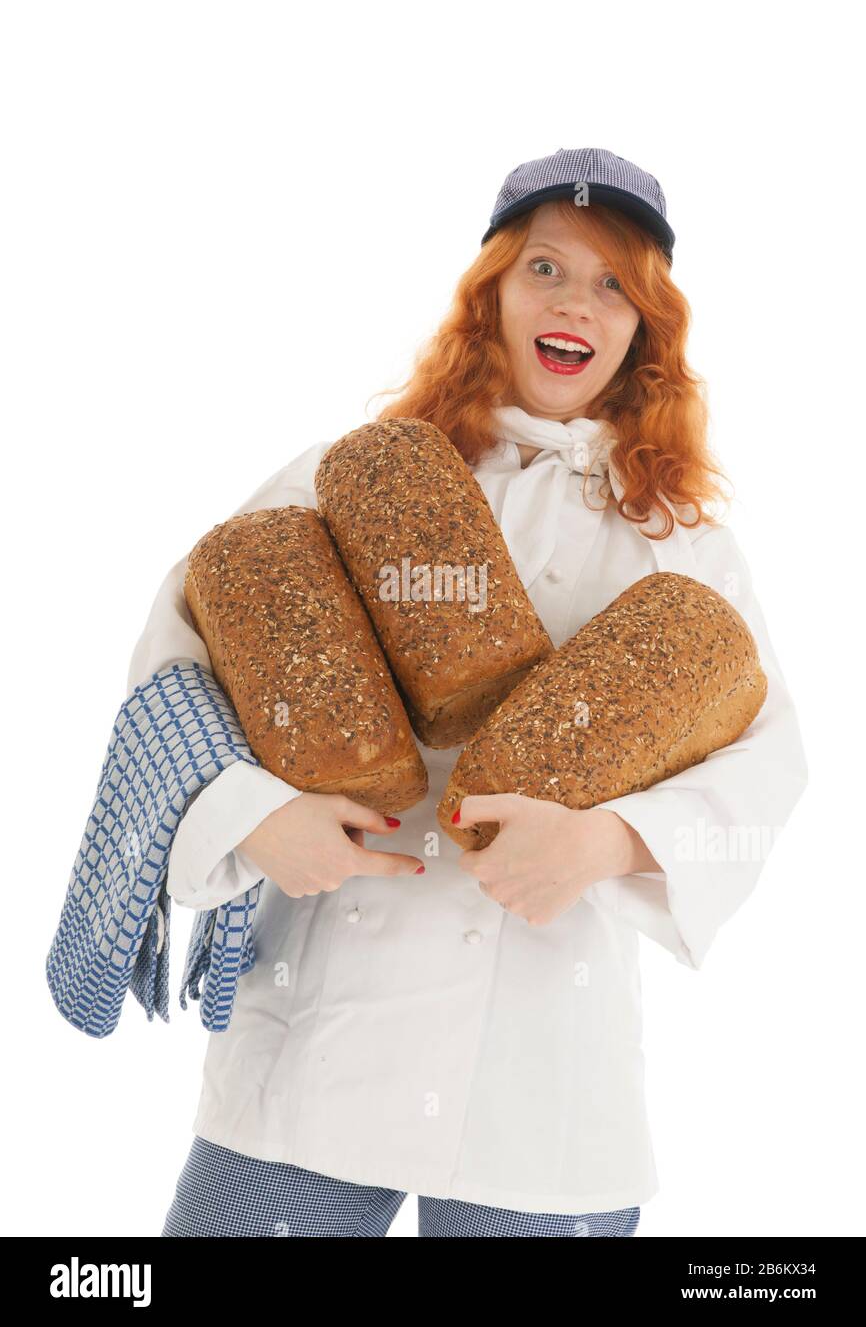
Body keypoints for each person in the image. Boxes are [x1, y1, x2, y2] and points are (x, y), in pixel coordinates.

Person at [130, 148, 808, 1237]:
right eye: (544, 266)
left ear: (643, 329)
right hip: (315, 1036)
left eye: (612, 286)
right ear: (488, 289)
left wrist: (609, 842)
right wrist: (255, 819)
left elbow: (768, 762)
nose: (574, 302)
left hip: (540, 1074)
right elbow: (175, 663)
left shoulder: (677, 538)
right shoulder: (348, 470)